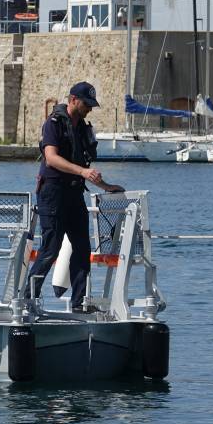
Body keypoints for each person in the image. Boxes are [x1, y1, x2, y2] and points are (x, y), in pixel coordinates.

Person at [24, 82, 125, 313]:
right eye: (86, 103)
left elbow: (84, 167)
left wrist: (106, 186)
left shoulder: (82, 129)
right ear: (72, 100)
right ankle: (29, 298)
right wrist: (82, 172)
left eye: (91, 105)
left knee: (82, 248)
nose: (89, 108)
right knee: (51, 248)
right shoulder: (53, 124)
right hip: (53, 193)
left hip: (74, 193)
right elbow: (51, 158)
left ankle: (79, 303)